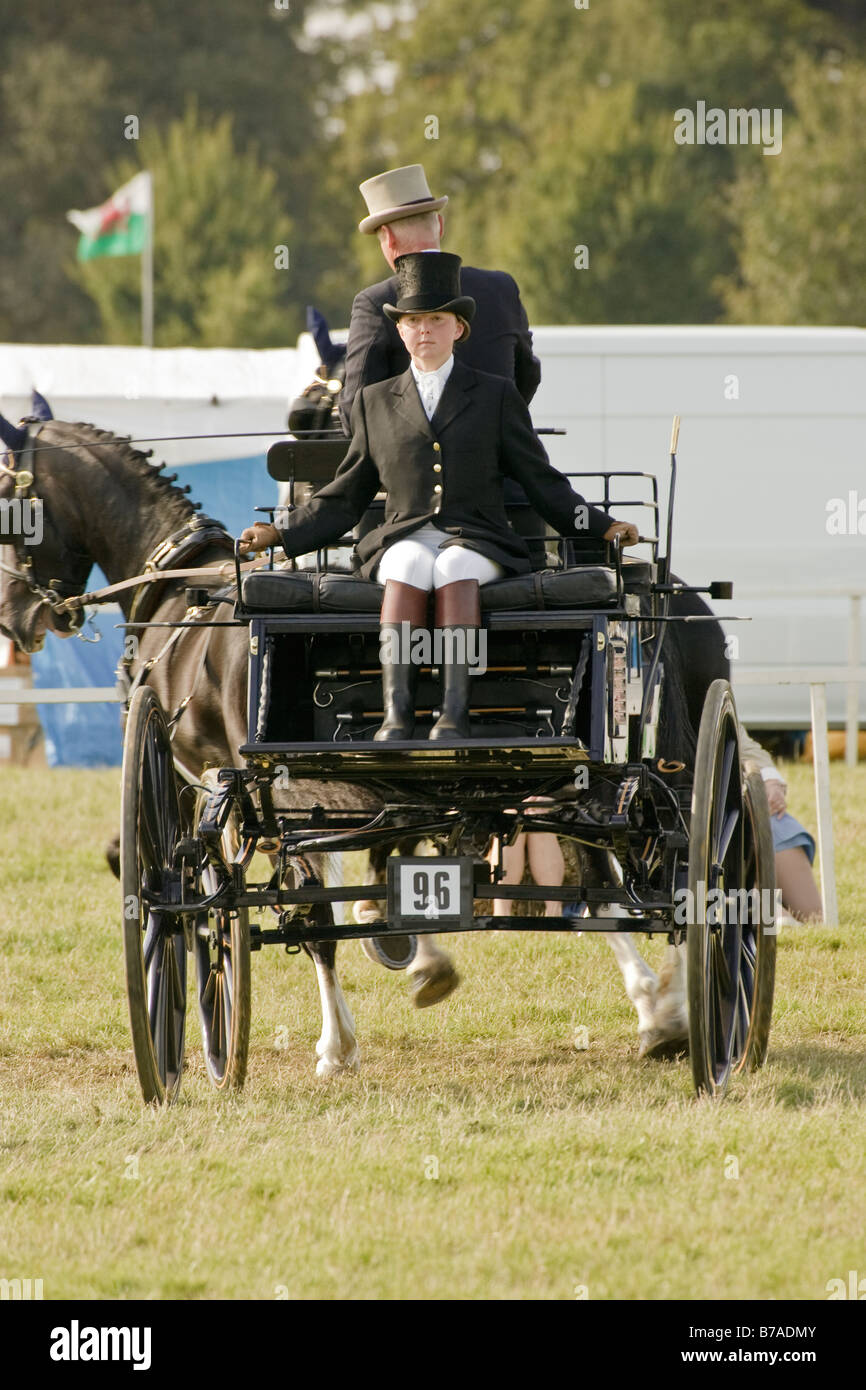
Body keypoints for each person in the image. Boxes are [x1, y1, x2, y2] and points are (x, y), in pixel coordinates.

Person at [240, 251, 638, 741]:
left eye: (436, 319)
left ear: (458, 329)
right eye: (413, 321)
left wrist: (602, 527)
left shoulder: (495, 395)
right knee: (407, 562)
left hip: (479, 541)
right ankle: (397, 716)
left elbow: (542, 481)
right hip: (401, 537)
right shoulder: (374, 401)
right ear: (400, 331)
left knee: (451, 565)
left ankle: (453, 715)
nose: (424, 329)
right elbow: (345, 497)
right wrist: (280, 533)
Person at [339, 164, 541, 432]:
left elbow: (357, 411)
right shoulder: (501, 288)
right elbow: (527, 376)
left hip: (417, 471)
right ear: (440, 225)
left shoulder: (376, 302)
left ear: (387, 238)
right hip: (502, 466)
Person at [741, 730, 823, 923]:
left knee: (813, 917)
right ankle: (756, 902)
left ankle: (761, 900)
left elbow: (745, 746)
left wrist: (770, 780)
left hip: (737, 811)